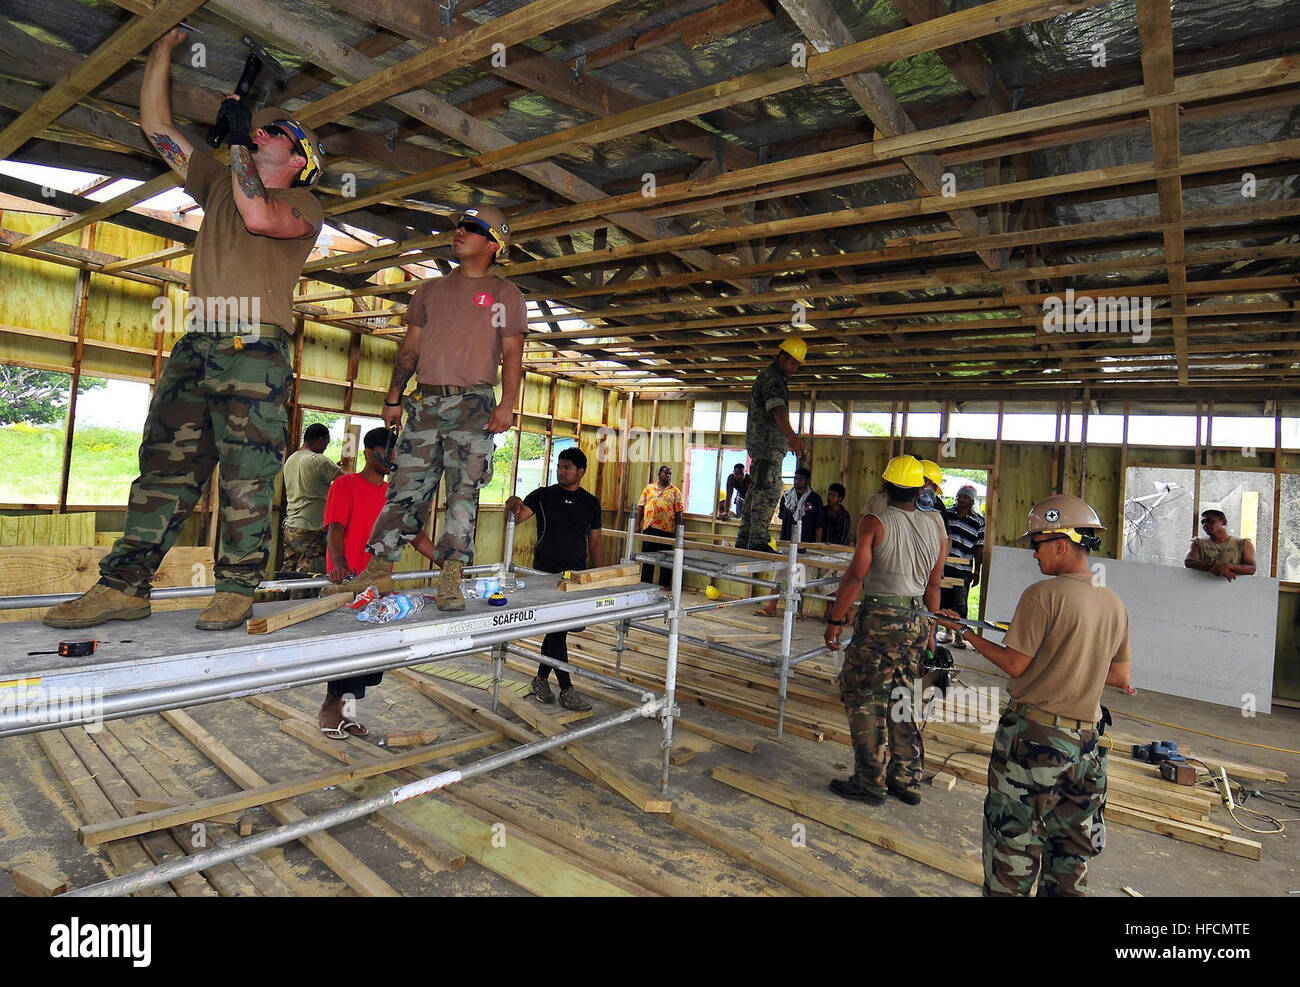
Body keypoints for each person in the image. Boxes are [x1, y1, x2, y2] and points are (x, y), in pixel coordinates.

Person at [44, 28, 324, 632]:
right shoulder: (220, 180)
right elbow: (158, 129)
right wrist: (163, 50)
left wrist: (239, 146)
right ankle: (123, 586)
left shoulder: (304, 207)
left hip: (255, 346)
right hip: (198, 341)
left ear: (299, 159)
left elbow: (257, 213)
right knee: (164, 469)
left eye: (273, 130)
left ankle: (237, 588)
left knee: (248, 473)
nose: (260, 133)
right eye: (259, 127)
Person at [325, 205, 526, 610]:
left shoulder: (506, 294)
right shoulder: (429, 291)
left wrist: (507, 404)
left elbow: (513, 352)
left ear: (492, 244)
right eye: (458, 226)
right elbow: (410, 348)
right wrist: (394, 398)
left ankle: (450, 577)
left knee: (462, 493)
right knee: (404, 489)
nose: (459, 232)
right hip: (424, 402)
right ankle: (379, 567)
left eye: (470, 228)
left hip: (474, 403)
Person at [936, 494, 1131, 897]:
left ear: (1061, 544)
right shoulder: (1113, 602)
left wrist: (967, 635)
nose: (1033, 553)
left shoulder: (1044, 595)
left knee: (1014, 846)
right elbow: (1119, 676)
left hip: (1036, 741)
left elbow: (1015, 665)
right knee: (1071, 854)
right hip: (1088, 747)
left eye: (1037, 544)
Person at [823, 455, 946, 806]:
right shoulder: (935, 527)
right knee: (902, 696)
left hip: (880, 618)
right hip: (916, 619)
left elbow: (857, 576)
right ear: (921, 487)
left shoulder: (874, 522)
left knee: (864, 695)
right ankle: (906, 779)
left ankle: (869, 781)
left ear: (886, 484)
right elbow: (934, 584)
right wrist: (930, 631)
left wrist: (836, 619)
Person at [505, 448, 602, 712]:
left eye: (567, 467)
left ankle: (539, 680)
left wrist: (599, 575)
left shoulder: (590, 503)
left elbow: (595, 541)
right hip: (545, 574)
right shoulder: (543, 495)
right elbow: (516, 517)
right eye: (559, 466)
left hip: (575, 574)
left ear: (580, 472)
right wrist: (512, 502)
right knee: (558, 630)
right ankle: (567, 689)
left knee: (557, 629)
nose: (561, 471)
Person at [317, 427, 393, 738]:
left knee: (370, 658)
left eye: (394, 454)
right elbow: (335, 528)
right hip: (349, 582)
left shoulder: (393, 494)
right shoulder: (345, 484)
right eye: (385, 452)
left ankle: (347, 714)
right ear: (368, 453)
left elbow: (410, 534)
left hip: (378, 584)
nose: (390, 458)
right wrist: (339, 566)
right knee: (344, 653)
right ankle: (328, 710)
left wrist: (446, 560)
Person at [735, 337, 805, 551]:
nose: (795, 369)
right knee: (769, 489)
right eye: (793, 363)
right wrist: (792, 435)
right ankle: (757, 540)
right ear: (782, 358)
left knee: (756, 490)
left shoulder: (771, 377)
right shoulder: (773, 379)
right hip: (767, 446)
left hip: (762, 446)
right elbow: (777, 408)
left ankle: (745, 538)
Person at [758, 466, 823, 617]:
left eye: (800, 478)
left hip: (805, 545)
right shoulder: (786, 496)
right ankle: (771, 607)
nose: (797, 481)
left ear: (807, 481)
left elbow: (819, 524)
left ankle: (797, 612)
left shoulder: (814, 499)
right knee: (779, 577)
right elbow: (781, 517)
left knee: (799, 581)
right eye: (795, 478)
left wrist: (816, 547)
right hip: (787, 542)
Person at [280, 423, 342, 574]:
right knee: (306, 575)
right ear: (320, 439)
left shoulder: (291, 459)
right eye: (326, 444)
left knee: (288, 571)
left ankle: (278, 598)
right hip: (311, 529)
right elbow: (347, 482)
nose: (325, 448)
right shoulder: (319, 461)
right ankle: (301, 600)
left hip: (291, 527)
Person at [942, 484, 986, 632]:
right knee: (944, 602)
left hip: (964, 568)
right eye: (960, 496)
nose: (962, 499)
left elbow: (979, 549)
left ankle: (960, 634)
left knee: (960, 604)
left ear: (972, 501)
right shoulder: (947, 515)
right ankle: (947, 632)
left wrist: (977, 571)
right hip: (944, 566)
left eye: (966, 497)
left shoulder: (979, 521)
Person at [635, 465, 683, 588]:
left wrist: (678, 531)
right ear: (659, 474)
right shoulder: (649, 488)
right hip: (649, 528)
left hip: (666, 530)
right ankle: (645, 583)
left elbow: (678, 512)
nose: (668, 476)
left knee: (666, 560)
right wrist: (637, 524)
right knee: (648, 558)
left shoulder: (675, 491)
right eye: (665, 473)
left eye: (670, 474)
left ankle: (665, 584)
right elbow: (641, 506)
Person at [1185, 509, 1256, 580]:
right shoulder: (1198, 542)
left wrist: (1229, 566)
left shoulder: (1244, 543)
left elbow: (1251, 569)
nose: (1205, 525)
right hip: (1204, 585)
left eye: (1210, 521)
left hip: (1235, 587)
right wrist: (1213, 567)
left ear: (1224, 522)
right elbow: (1189, 561)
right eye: (1202, 522)